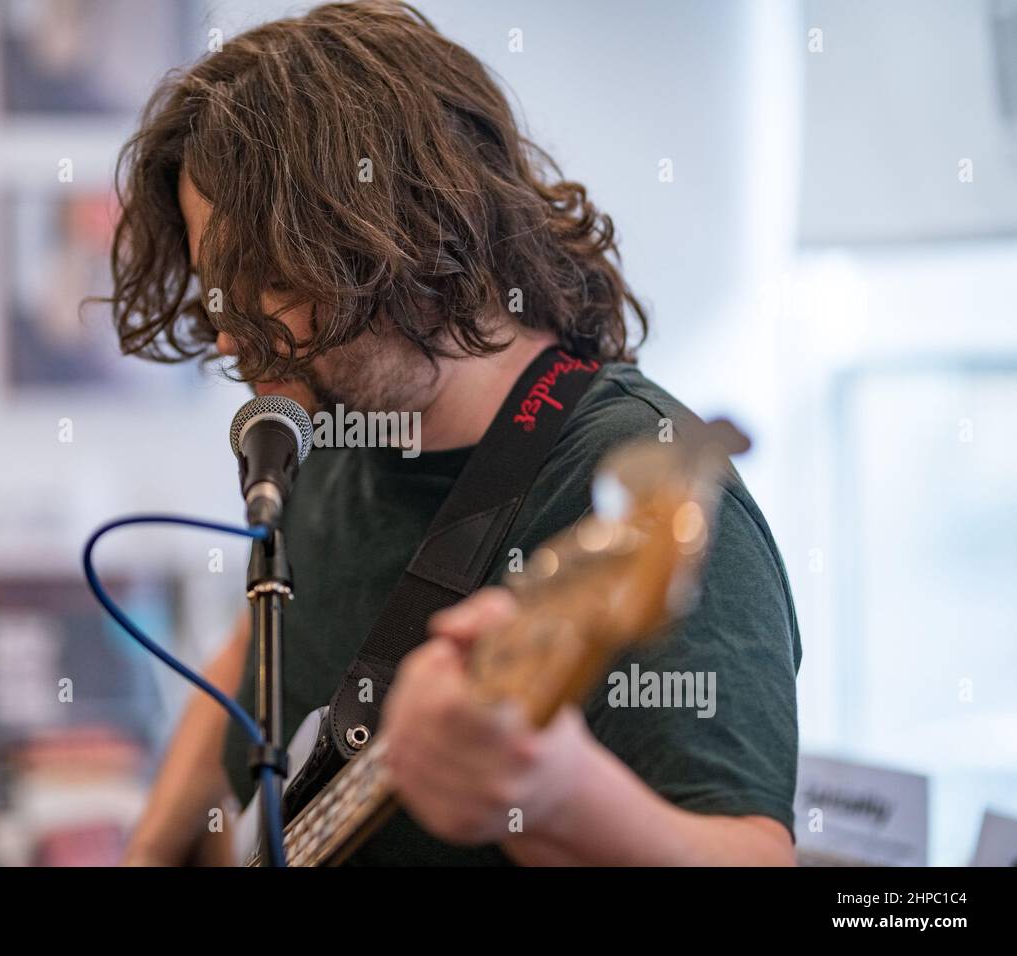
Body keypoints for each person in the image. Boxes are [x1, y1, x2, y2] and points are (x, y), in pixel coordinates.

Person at [109, 1, 800, 866]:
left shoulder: (640, 501)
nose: (224, 333)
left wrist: (559, 793)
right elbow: (262, 639)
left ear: (401, 236)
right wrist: (150, 852)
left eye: (261, 280)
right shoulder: (340, 424)